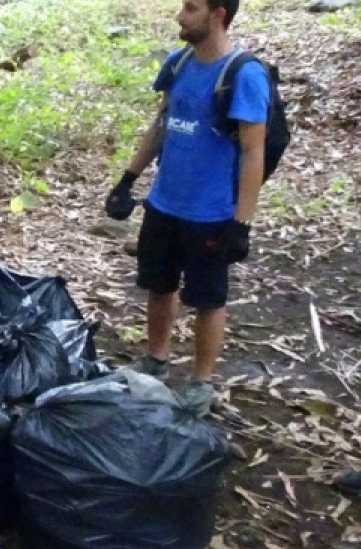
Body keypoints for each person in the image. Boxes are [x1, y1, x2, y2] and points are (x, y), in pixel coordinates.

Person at [104, 0, 270, 416]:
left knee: (207, 299)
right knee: (159, 285)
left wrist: (242, 222)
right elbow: (161, 123)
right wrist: (128, 178)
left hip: (211, 212)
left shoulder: (243, 75)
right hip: (164, 203)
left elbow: (253, 151)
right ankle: (156, 359)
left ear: (218, 14)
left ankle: (200, 382)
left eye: (190, 8)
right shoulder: (178, 64)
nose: (179, 16)